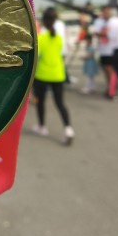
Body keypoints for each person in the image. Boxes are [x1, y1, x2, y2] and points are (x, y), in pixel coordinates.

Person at [32, 9, 75, 145]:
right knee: (60, 103)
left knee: (40, 102)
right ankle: (68, 129)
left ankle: (42, 127)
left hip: (42, 74)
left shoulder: (40, 38)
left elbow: (36, 57)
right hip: (58, 74)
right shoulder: (59, 39)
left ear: (44, 22)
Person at [92, 5, 114, 96]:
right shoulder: (98, 21)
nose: (107, 13)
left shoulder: (113, 21)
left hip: (112, 49)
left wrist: (103, 33)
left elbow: (111, 33)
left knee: (110, 69)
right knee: (105, 69)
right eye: (105, 12)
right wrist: (104, 33)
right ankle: (109, 86)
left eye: (108, 11)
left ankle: (112, 89)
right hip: (103, 49)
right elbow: (96, 33)